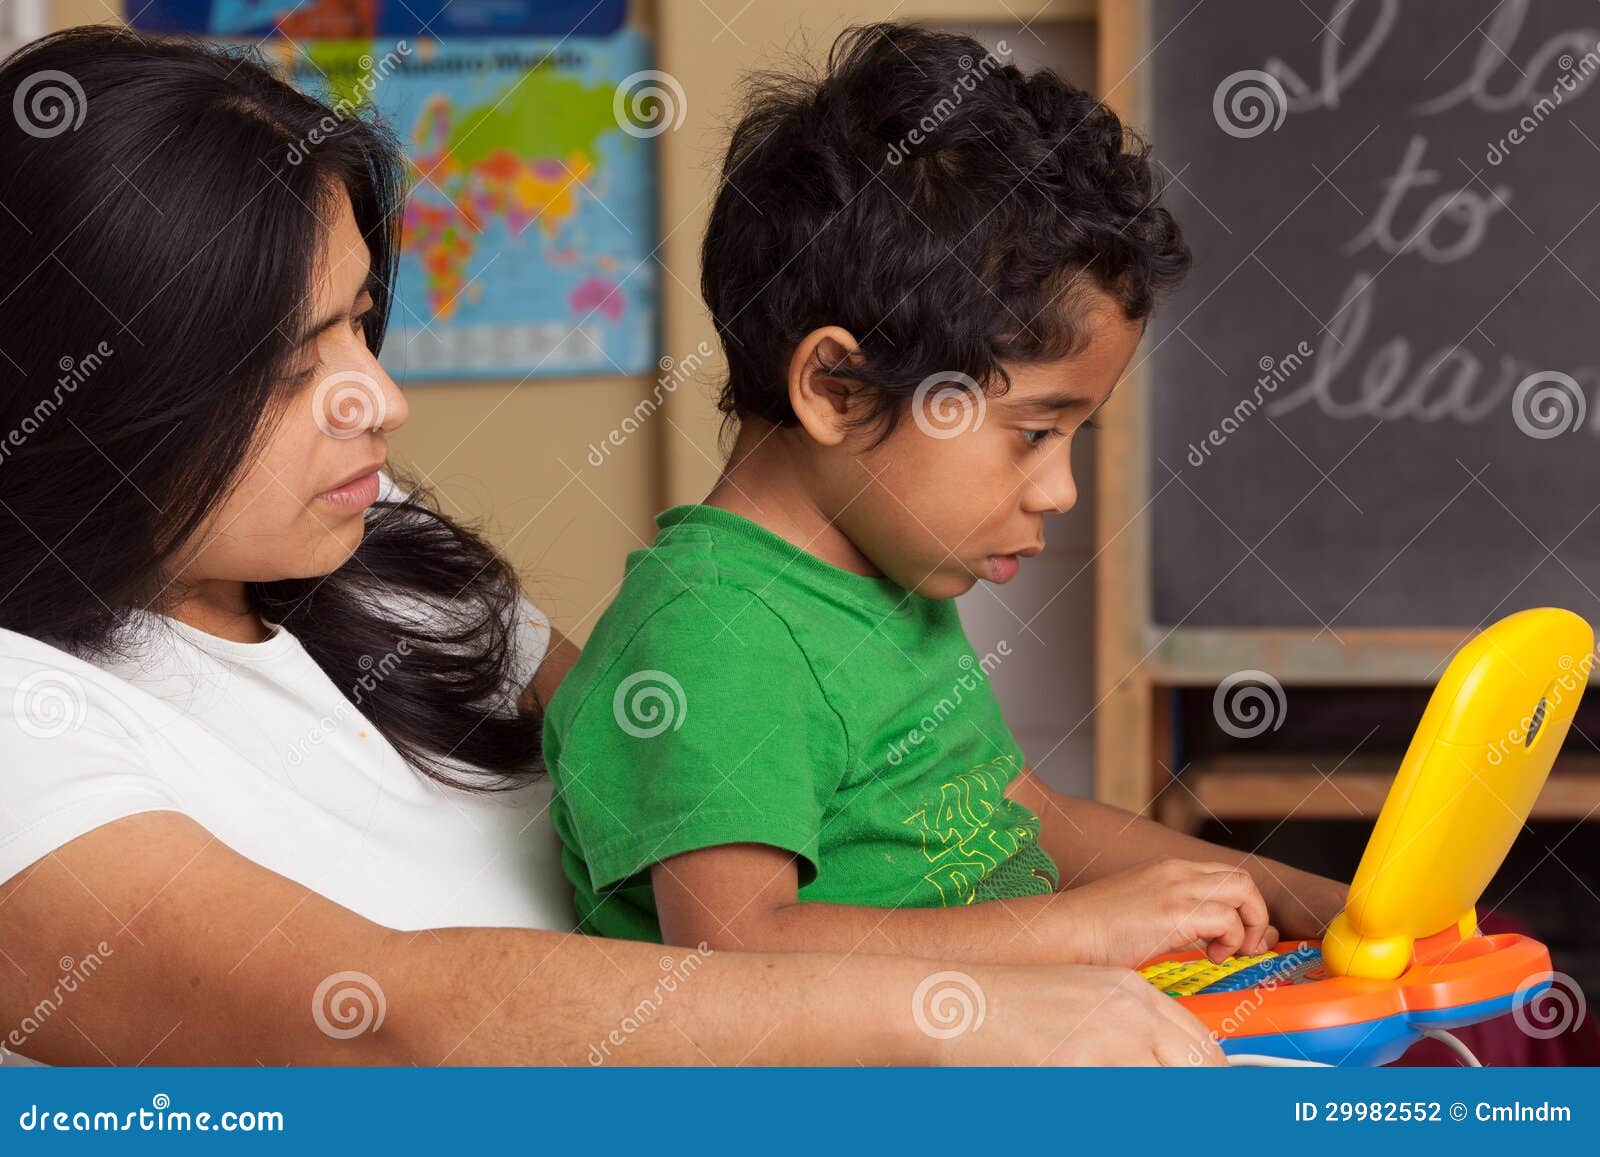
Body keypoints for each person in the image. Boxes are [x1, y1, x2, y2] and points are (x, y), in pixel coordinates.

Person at [0, 25, 1226, 1067]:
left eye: (364, 324)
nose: (378, 398)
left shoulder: (388, 561)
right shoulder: (23, 719)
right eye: (291, 361)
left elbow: (723, 778)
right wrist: (973, 1010)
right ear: (90, 386)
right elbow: (384, 1016)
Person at [544, 23, 1348, 964]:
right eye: (1035, 433)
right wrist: (1087, 929)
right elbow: (740, 954)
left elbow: (1023, 816)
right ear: (839, 389)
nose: (1059, 491)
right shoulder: (710, 637)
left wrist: (1280, 890)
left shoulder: (881, 570)